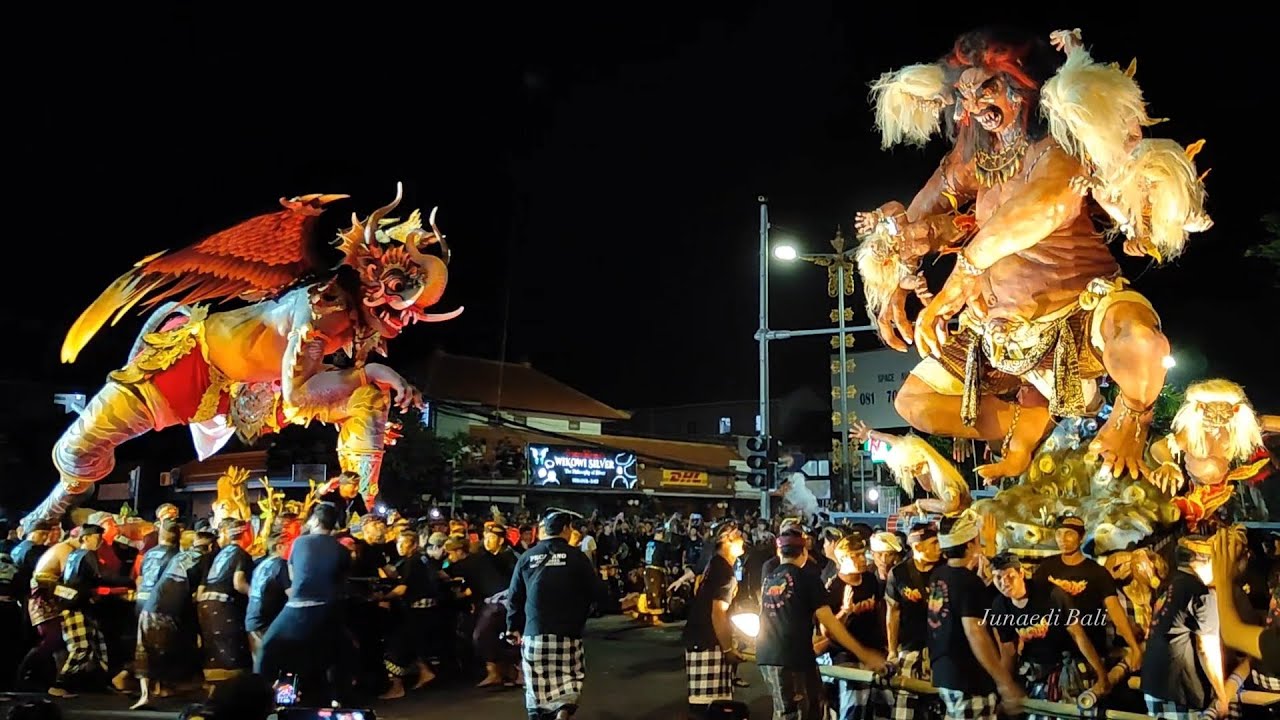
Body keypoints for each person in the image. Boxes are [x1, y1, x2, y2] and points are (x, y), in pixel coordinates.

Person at [756, 530, 885, 720]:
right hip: (791, 657)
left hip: (770, 654)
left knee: (804, 709)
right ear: (804, 552)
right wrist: (863, 653)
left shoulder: (769, 578)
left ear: (779, 552)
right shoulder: (808, 578)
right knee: (797, 713)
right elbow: (830, 623)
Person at [989, 552, 1110, 718]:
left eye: (1010, 576)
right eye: (998, 578)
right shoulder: (999, 606)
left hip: (1065, 666)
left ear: (1021, 573)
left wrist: (1101, 675)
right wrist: (1005, 686)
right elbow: (1008, 649)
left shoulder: (1052, 594)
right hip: (1034, 669)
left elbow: (1078, 635)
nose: (1004, 583)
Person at [927, 513, 1023, 720]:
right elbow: (975, 632)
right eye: (978, 540)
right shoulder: (969, 582)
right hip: (969, 679)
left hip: (945, 674)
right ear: (969, 545)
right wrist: (1003, 681)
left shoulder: (938, 575)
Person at [255, 502, 352, 707]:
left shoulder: (299, 543)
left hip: (297, 608)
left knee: (268, 647)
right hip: (328, 610)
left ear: (315, 520)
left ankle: (260, 696)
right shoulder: (342, 550)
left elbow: (292, 576)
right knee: (343, 652)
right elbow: (342, 581)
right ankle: (339, 698)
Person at [1142, 535, 1248, 718]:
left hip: (1153, 685)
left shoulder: (1170, 586)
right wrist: (1221, 694)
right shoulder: (1201, 593)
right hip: (1180, 691)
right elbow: (1207, 648)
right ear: (1202, 561)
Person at [507, 510, 598, 720]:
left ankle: (541, 714)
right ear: (565, 529)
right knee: (569, 677)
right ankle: (563, 709)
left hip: (534, 632)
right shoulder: (577, 557)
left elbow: (514, 596)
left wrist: (512, 627)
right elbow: (595, 591)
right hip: (568, 632)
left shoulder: (527, 557)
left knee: (536, 687)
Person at [1032, 514, 1142, 668]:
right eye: (1059, 534)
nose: (1062, 539)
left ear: (1081, 537)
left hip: (1091, 653)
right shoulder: (1046, 568)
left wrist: (1134, 647)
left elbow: (1115, 610)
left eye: (1069, 534)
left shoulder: (1097, 572)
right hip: (1055, 653)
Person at [682, 520, 747, 717]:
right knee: (712, 708)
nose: (743, 539)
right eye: (738, 535)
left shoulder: (715, 564)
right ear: (726, 540)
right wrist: (728, 649)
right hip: (709, 643)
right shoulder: (724, 571)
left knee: (709, 707)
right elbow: (718, 611)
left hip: (700, 639)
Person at [197, 518, 254, 684]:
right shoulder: (241, 554)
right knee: (231, 651)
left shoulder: (220, 554)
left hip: (205, 603)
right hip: (223, 605)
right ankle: (230, 689)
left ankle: (212, 690)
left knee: (213, 650)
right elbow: (238, 583)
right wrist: (256, 594)